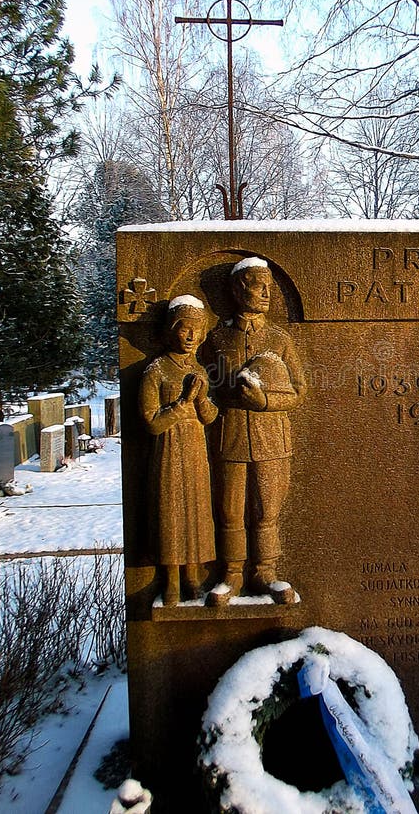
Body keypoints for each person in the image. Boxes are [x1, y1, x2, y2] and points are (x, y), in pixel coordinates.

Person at [204, 257, 306, 603]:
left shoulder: (279, 339)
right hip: (229, 434)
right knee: (230, 507)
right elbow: (206, 382)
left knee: (267, 508)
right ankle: (231, 573)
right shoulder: (216, 338)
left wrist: (263, 400)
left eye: (269, 287)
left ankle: (265, 572)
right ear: (237, 289)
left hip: (272, 437)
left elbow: (299, 390)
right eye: (258, 285)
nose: (266, 293)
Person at [139, 295, 217, 605]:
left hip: (195, 448)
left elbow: (210, 416)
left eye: (197, 331)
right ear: (172, 330)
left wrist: (199, 400)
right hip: (169, 448)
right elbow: (151, 422)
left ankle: (193, 575)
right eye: (185, 329)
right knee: (172, 510)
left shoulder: (199, 369)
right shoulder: (156, 370)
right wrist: (182, 403)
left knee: (196, 510)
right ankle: (171, 579)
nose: (191, 337)